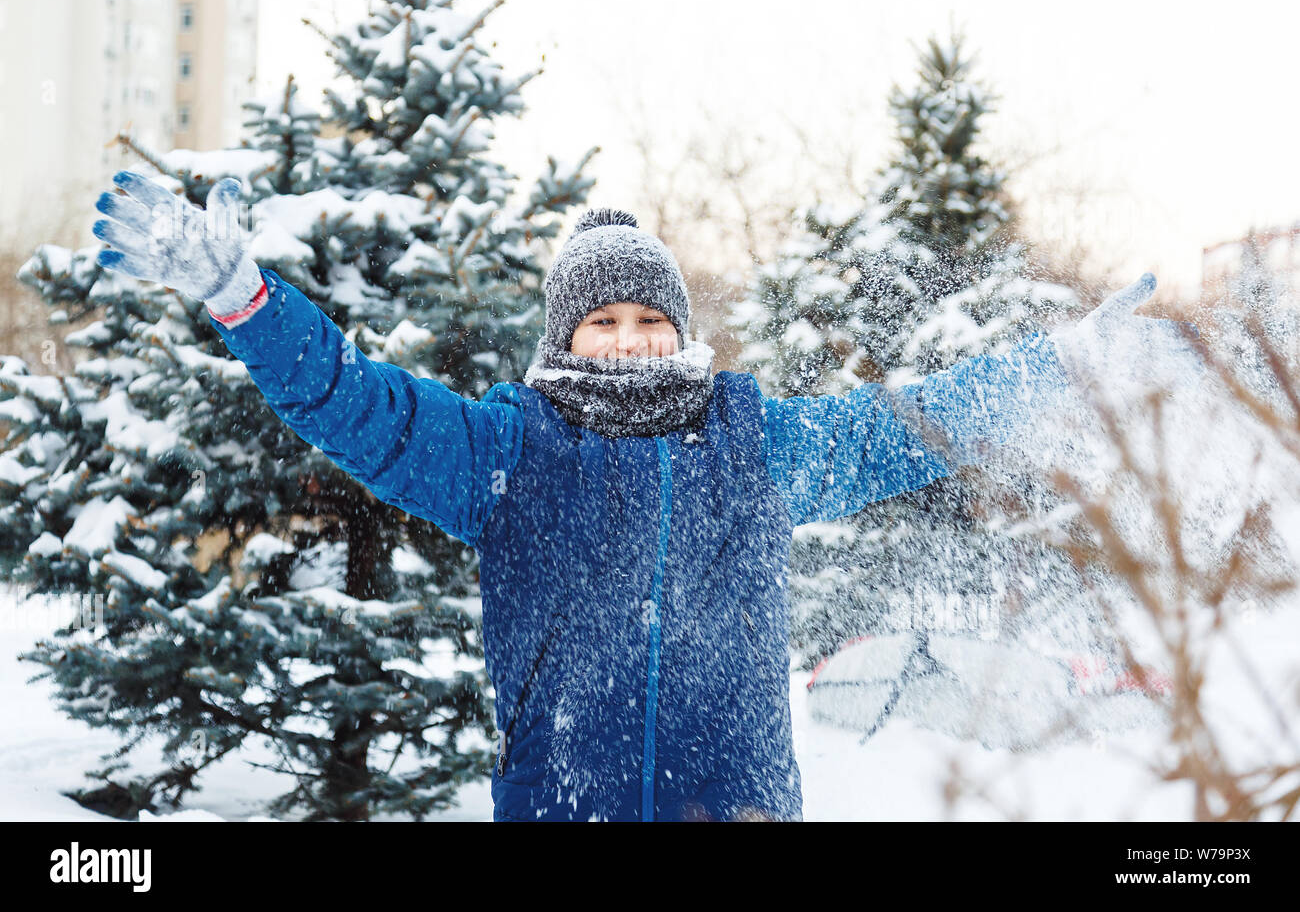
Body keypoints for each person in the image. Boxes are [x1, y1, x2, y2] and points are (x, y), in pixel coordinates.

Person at [92, 172, 1190, 821]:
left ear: (678, 328)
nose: (627, 341)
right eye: (599, 323)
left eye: (646, 320)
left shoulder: (752, 442)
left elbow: (909, 424)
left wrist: (1056, 368)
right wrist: (243, 298)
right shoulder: (504, 452)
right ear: (563, 337)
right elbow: (356, 402)